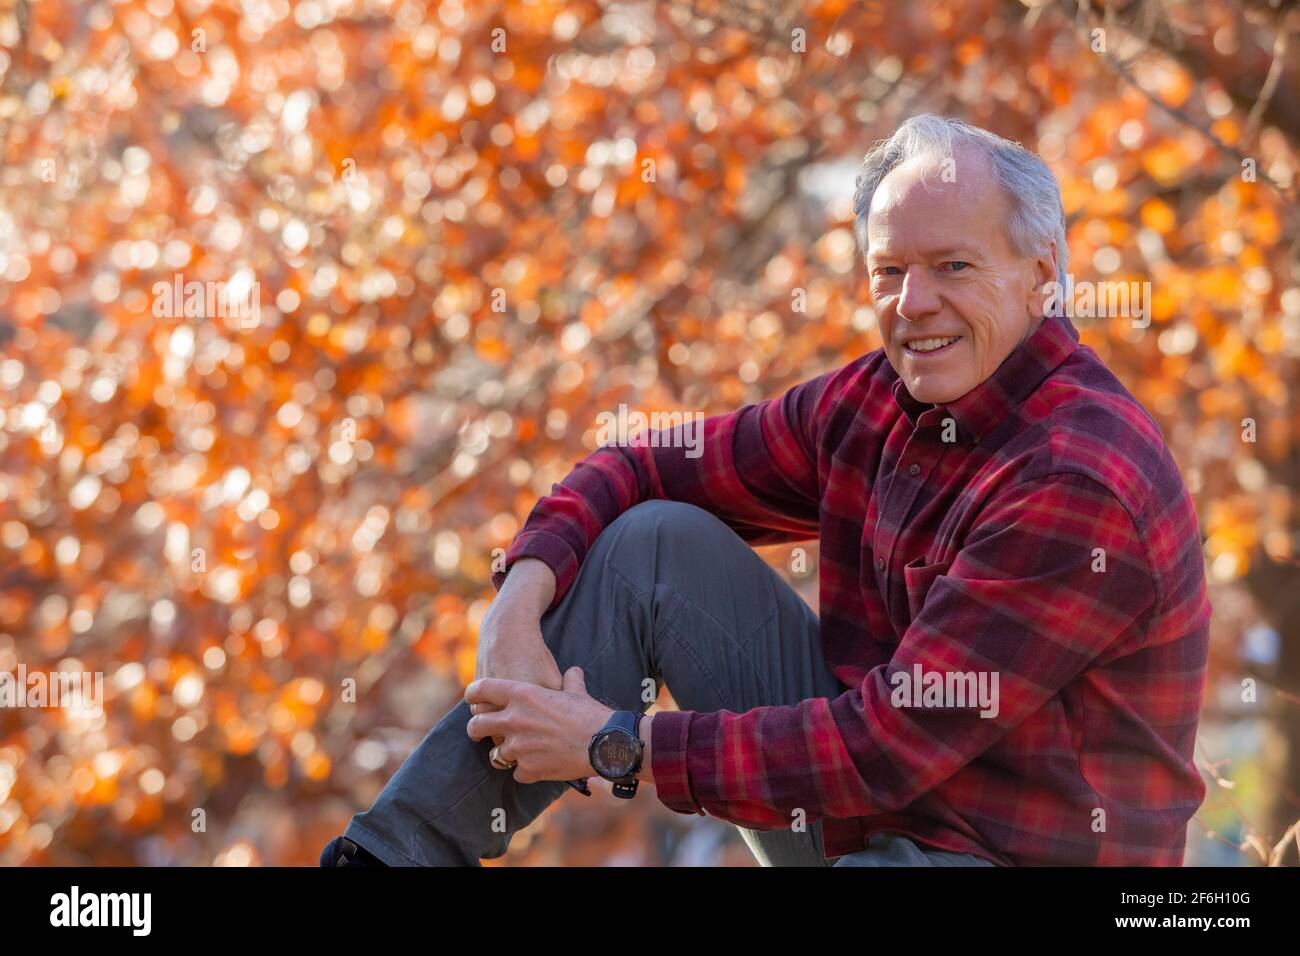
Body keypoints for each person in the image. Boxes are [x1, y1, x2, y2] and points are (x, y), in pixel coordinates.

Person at [321, 114, 1211, 867]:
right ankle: (390, 861)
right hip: (863, 816)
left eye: (953, 267)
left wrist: (612, 745)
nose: (912, 304)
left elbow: (886, 746)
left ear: (1042, 273)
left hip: (1001, 854)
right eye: (889, 271)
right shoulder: (874, 401)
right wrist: (516, 600)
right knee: (652, 543)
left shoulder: (1072, 476)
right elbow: (645, 460)